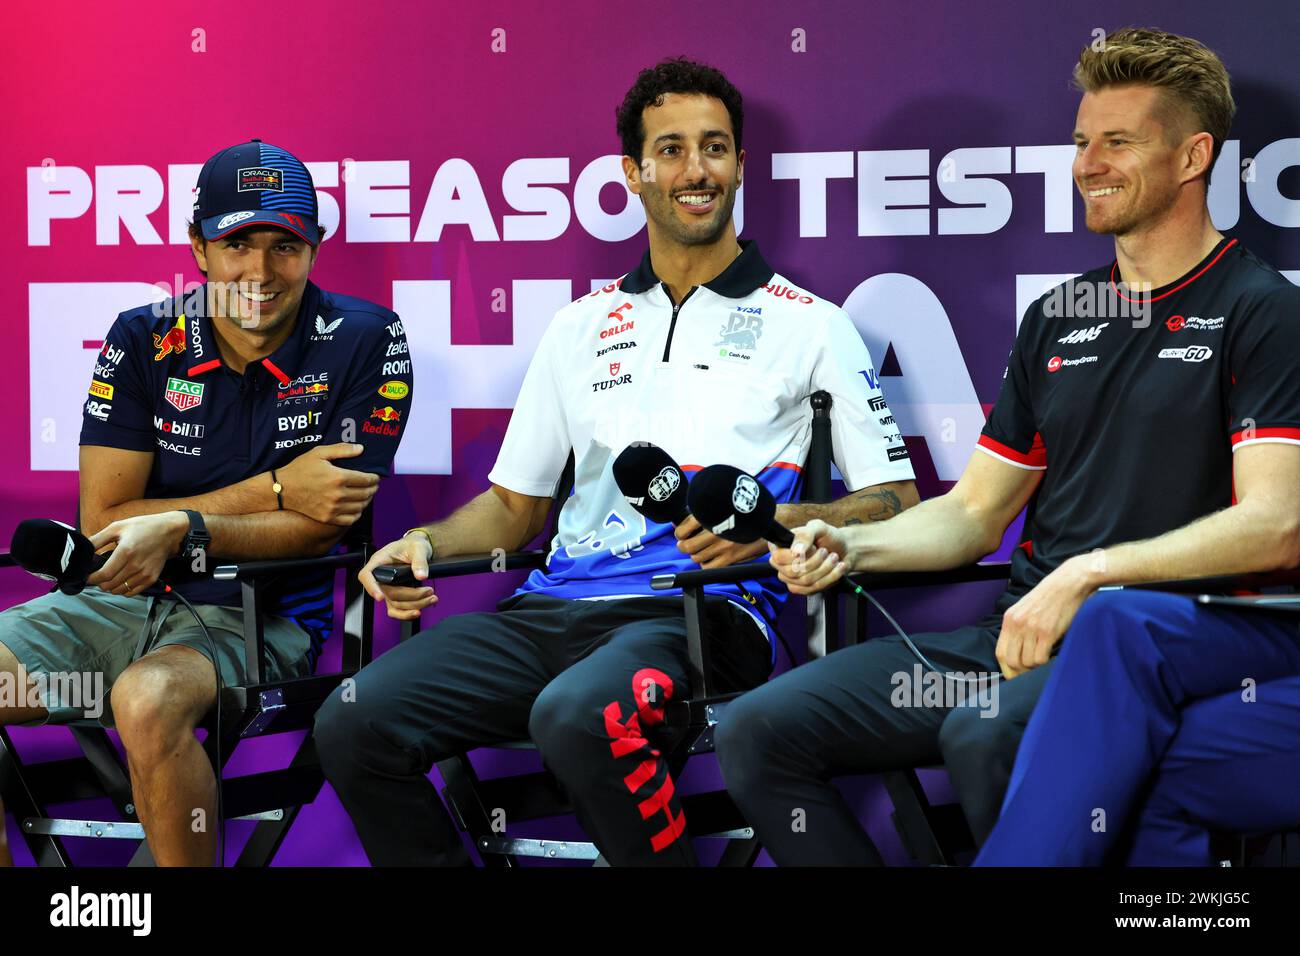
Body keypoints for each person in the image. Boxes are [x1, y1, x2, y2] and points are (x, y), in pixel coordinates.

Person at [716, 27, 1300, 865]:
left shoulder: (1261, 311)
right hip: (1018, 634)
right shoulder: (1059, 316)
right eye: (1080, 143)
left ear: (1192, 156)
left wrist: (1089, 571)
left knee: (985, 736)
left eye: (1118, 143)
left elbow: (1278, 524)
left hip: (1162, 644)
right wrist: (851, 542)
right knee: (759, 727)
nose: (1088, 164)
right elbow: (973, 513)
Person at [314, 57, 919, 866]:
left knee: (576, 714)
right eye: (670, 150)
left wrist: (775, 530)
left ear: (741, 164)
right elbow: (514, 508)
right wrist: (423, 543)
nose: (695, 170)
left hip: (702, 617)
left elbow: (895, 501)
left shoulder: (811, 325)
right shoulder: (579, 326)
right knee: (352, 716)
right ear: (633, 173)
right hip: (552, 611)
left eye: (715, 148)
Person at [0, 140, 411, 866]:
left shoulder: (365, 337)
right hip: (116, 602)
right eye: (237, 243)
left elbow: (321, 528)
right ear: (197, 247)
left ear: (315, 247)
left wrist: (177, 526)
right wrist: (272, 489)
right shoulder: (143, 334)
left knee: (147, 699)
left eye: (285, 245)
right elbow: (105, 523)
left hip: (264, 621)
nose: (259, 272)